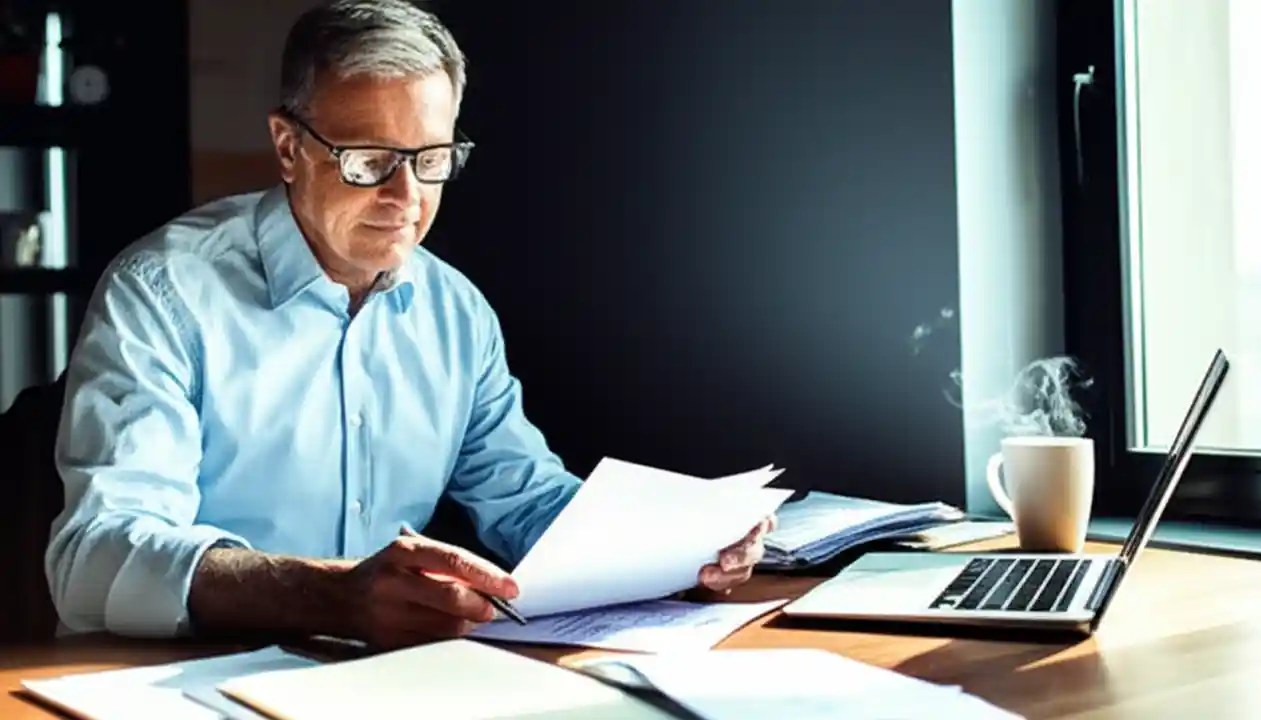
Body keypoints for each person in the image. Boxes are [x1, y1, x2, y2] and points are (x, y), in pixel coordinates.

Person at [44, 0, 773, 648]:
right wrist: (329, 595)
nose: (407, 196)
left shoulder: (454, 311)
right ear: (288, 146)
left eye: (431, 159)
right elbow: (97, 557)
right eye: (369, 160)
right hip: (175, 680)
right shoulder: (165, 292)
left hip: (381, 684)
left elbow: (526, 501)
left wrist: (679, 552)